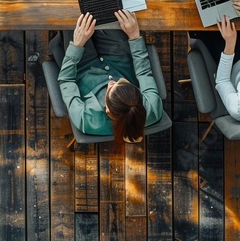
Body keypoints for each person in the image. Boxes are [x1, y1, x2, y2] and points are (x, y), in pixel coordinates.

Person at [57, 10, 165, 143]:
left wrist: (77, 46)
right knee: (113, 12)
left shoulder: (87, 120)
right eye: (122, 82)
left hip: (83, 66)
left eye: (110, 88)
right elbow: (143, 73)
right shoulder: (152, 108)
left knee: (73, 17)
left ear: (107, 109)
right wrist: (134, 36)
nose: (111, 80)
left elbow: (66, 80)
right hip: (118, 58)